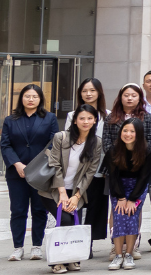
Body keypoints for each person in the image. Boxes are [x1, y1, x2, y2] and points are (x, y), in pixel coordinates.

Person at [37, 105, 102, 273]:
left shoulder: (96, 143)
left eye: (89, 118)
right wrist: (63, 193)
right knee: (65, 221)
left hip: (76, 193)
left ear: (95, 120)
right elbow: (55, 165)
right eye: (82, 118)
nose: (85, 121)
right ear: (75, 120)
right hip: (52, 190)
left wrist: (76, 196)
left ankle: (71, 258)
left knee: (74, 223)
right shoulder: (61, 137)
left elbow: (90, 172)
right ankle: (56, 261)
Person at [2, 83, 59, 262]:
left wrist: (34, 166)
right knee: (18, 210)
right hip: (16, 173)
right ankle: (18, 247)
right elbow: (5, 145)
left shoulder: (49, 118)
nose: (31, 99)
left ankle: (36, 246)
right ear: (22, 98)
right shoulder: (10, 120)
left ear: (40, 99)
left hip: (40, 173)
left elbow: (53, 144)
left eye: (34, 96)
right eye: (27, 96)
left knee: (39, 209)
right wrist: (17, 164)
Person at [64, 78, 111, 251]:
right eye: (84, 91)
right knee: (76, 206)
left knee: (95, 207)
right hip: (76, 171)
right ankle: (73, 243)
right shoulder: (72, 115)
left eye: (92, 90)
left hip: (99, 170)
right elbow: (68, 143)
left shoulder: (108, 115)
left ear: (99, 92)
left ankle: (87, 244)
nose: (88, 94)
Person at [107, 118, 151, 271]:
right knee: (119, 216)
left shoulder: (148, 151)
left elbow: (144, 176)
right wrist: (121, 197)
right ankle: (118, 255)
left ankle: (129, 254)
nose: (128, 134)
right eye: (125, 130)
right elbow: (113, 176)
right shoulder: (113, 150)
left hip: (137, 189)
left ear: (138, 134)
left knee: (131, 216)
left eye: (132, 131)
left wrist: (132, 199)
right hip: (118, 188)